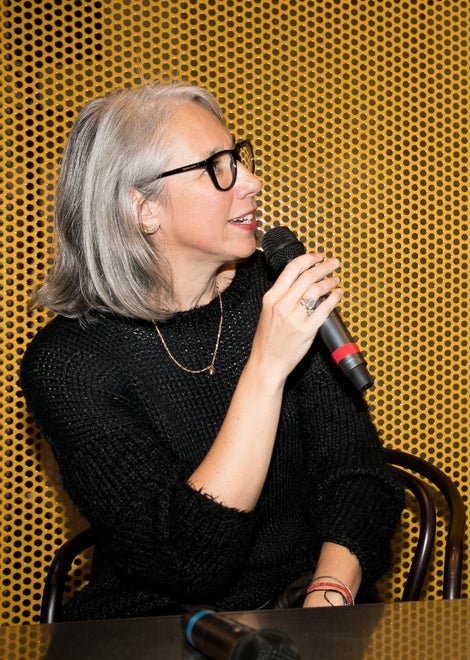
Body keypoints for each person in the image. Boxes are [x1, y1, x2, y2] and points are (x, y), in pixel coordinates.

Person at [19, 82, 404, 620]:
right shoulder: (68, 362)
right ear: (142, 207)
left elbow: (357, 475)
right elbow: (189, 560)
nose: (251, 181)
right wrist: (266, 369)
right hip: (151, 632)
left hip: (298, 612)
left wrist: (328, 595)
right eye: (216, 167)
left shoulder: (270, 294)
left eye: (238, 158)